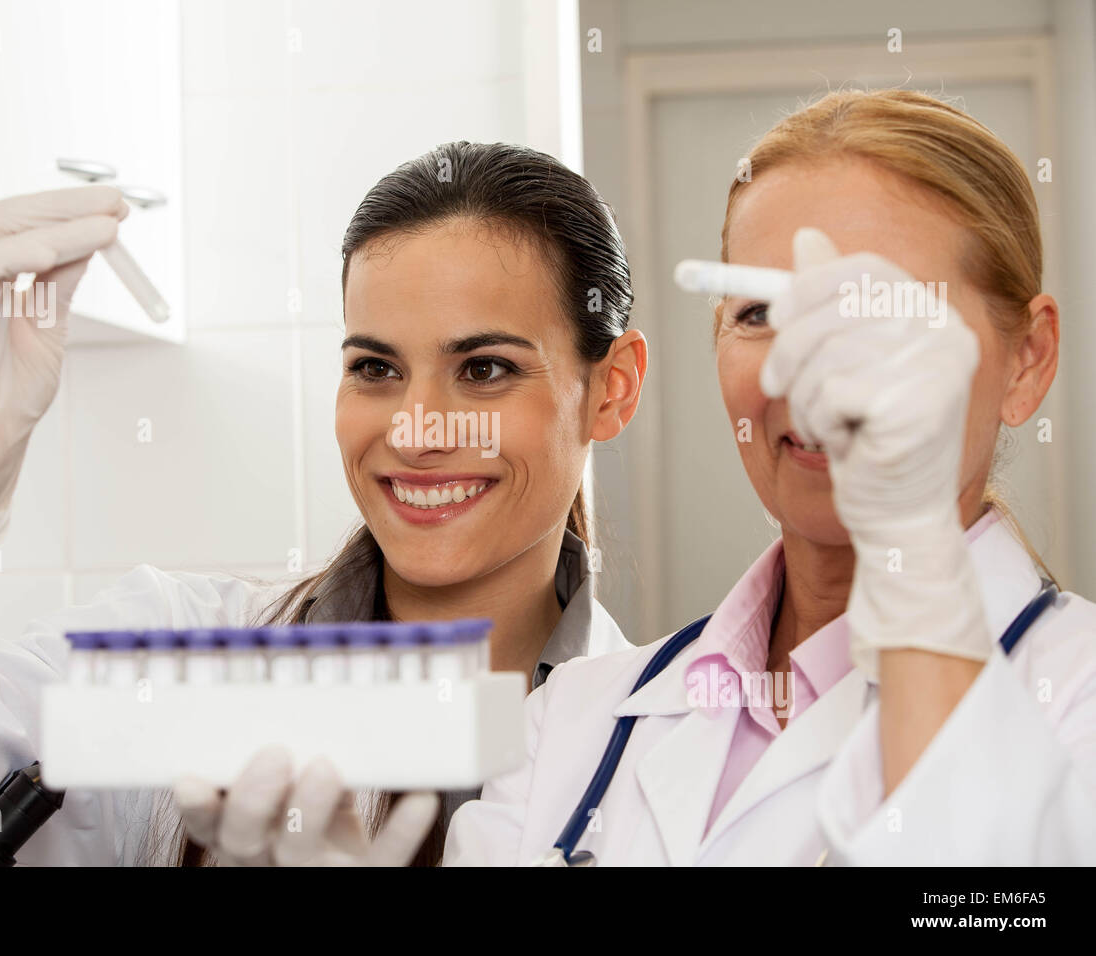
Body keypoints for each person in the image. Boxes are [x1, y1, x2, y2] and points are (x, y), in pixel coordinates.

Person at [182, 89, 1096, 865]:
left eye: (882, 310)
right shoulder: (575, 721)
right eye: (761, 313)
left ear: (1028, 360)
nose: (811, 369)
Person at [0, 142, 647, 866]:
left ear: (611, 388)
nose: (415, 431)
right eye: (375, 369)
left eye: (485, 369)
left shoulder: (665, 751)